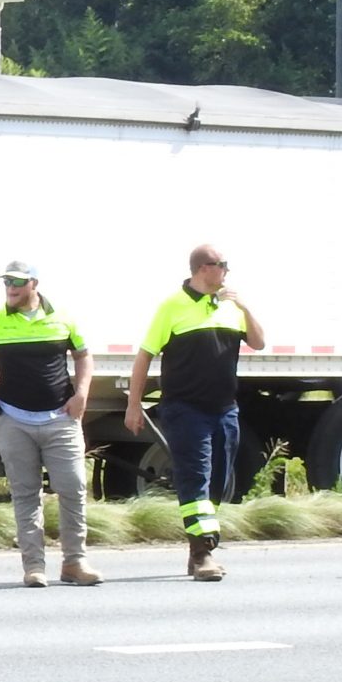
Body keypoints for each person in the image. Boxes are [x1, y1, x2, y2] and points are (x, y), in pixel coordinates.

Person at [0, 259, 101, 588]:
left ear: (34, 284)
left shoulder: (62, 318)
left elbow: (83, 355)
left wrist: (82, 393)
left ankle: (75, 563)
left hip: (61, 419)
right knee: (26, 493)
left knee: (73, 489)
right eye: (7, 282)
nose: (11, 288)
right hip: (13, 420)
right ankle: (34, 566)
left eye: (17, 282)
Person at [126, 244, 266, 581]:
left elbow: (259, 342)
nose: (226, 271)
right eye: (222, 265)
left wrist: (245, 307)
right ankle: (204, 553)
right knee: (195, 480)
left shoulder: (231, 307)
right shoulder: (171, 307)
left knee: (218, 481)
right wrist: (134, 404)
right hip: (185, 410)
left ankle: (198, 550)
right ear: (204, 268)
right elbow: (145, 355)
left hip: (224, 410)